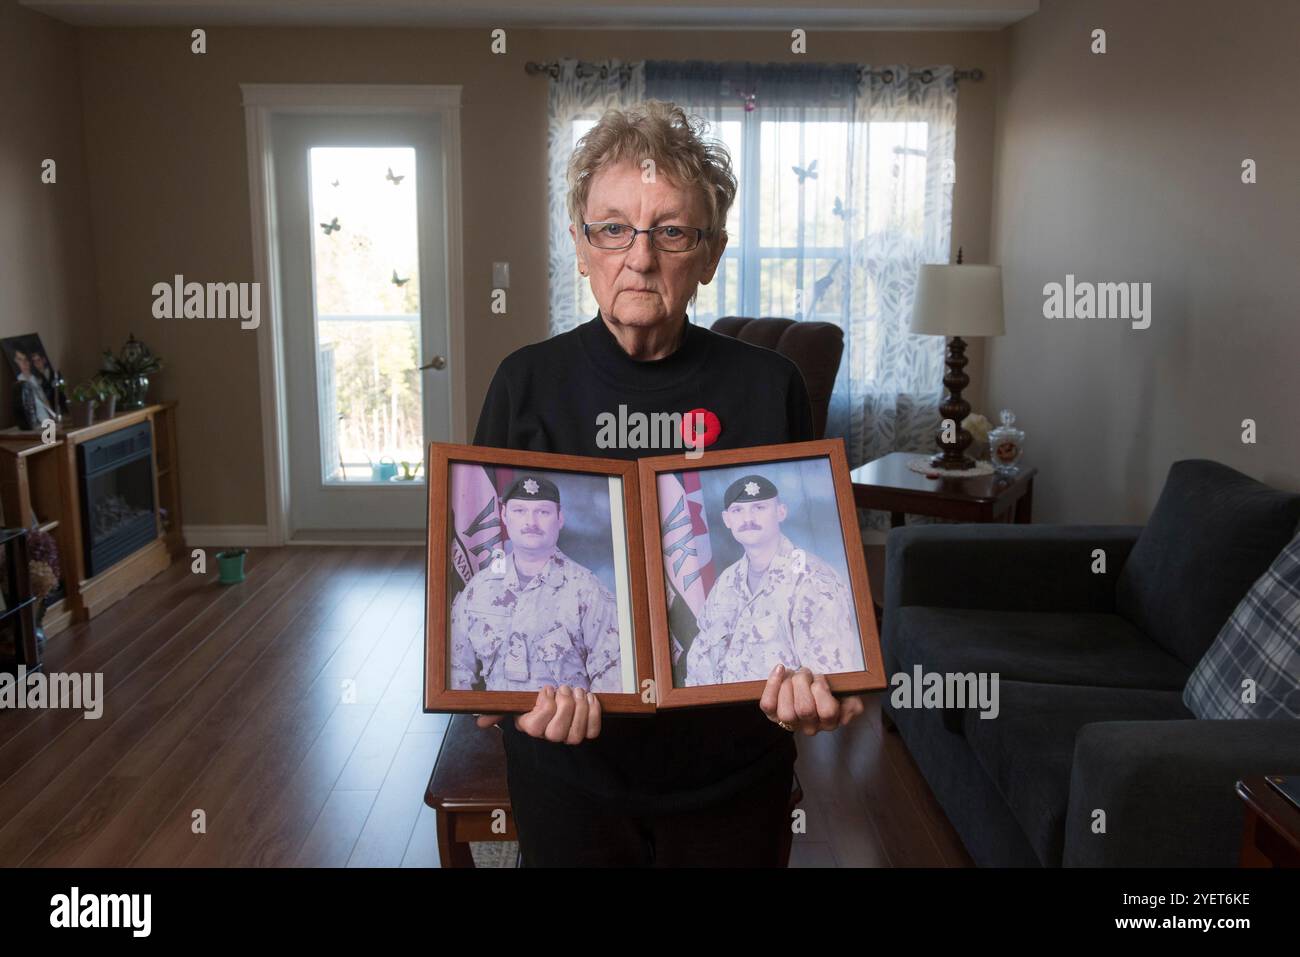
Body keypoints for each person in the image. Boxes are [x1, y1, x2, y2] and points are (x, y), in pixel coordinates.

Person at [472, 99, 866, 866]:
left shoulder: (770, 386)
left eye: (671, 231)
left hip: (731, 768)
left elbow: (811, 588)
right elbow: (487, 584)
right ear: (582, 246)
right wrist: (500, 686)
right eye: (612, 228)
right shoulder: (524, 383)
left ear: (710, 255)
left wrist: (827, 676)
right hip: (571, 765)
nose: (640, 258)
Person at [448, 474, 623, 693]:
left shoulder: (588, 591)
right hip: (496, 721)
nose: (531, 522)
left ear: (560, 518)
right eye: (520, 511)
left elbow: (613, 676)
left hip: (563, 723)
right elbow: (454, 669)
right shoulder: (479, 589)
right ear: (504, 515)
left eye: (543, 512)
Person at [685, 473, 861, 687]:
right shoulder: (726, 582)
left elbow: (828, 681)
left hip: (784, 714)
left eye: (759, 508)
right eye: (738, 510)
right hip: (718, 710)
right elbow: (700, 660)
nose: (748, 519)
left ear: (781, 512)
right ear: (727, 519)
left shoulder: (814, 579)